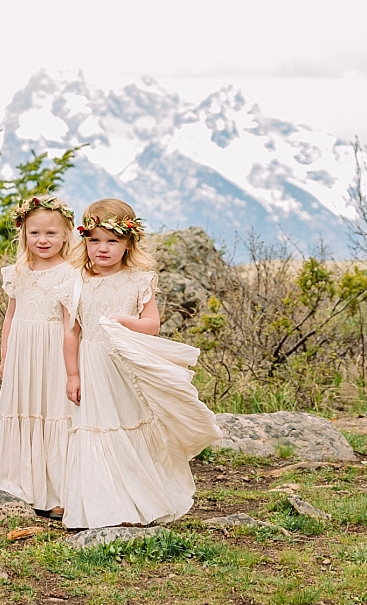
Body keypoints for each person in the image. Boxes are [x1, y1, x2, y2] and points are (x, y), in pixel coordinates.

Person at [54, 197, 222, 530]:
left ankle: (138, 496)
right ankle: (99, 505)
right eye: (94, 240)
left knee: (128, 423)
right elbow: (71, 332)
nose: (102, 249)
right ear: (84, 240)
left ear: (129, 243)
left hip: (124, 363)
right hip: (92, 364)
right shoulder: (76, 282)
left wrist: (123, 321)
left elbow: (151, 325)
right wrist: (73, 374)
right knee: (95, 427)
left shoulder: (138, 280)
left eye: (112, 241)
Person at [0, 196, 83, 518]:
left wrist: (73, 370)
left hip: (53, 352)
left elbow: (72, 323)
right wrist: (5, 357)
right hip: (23, 353)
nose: (43, 240)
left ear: (66, 235)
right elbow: (10, 317)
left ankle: (56, 492)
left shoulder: (69, 273)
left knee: (53, 413)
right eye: (35, 233)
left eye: (51, 234)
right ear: (23, 234)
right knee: (21, 411)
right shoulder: (18, 272)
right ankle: (17, 485)